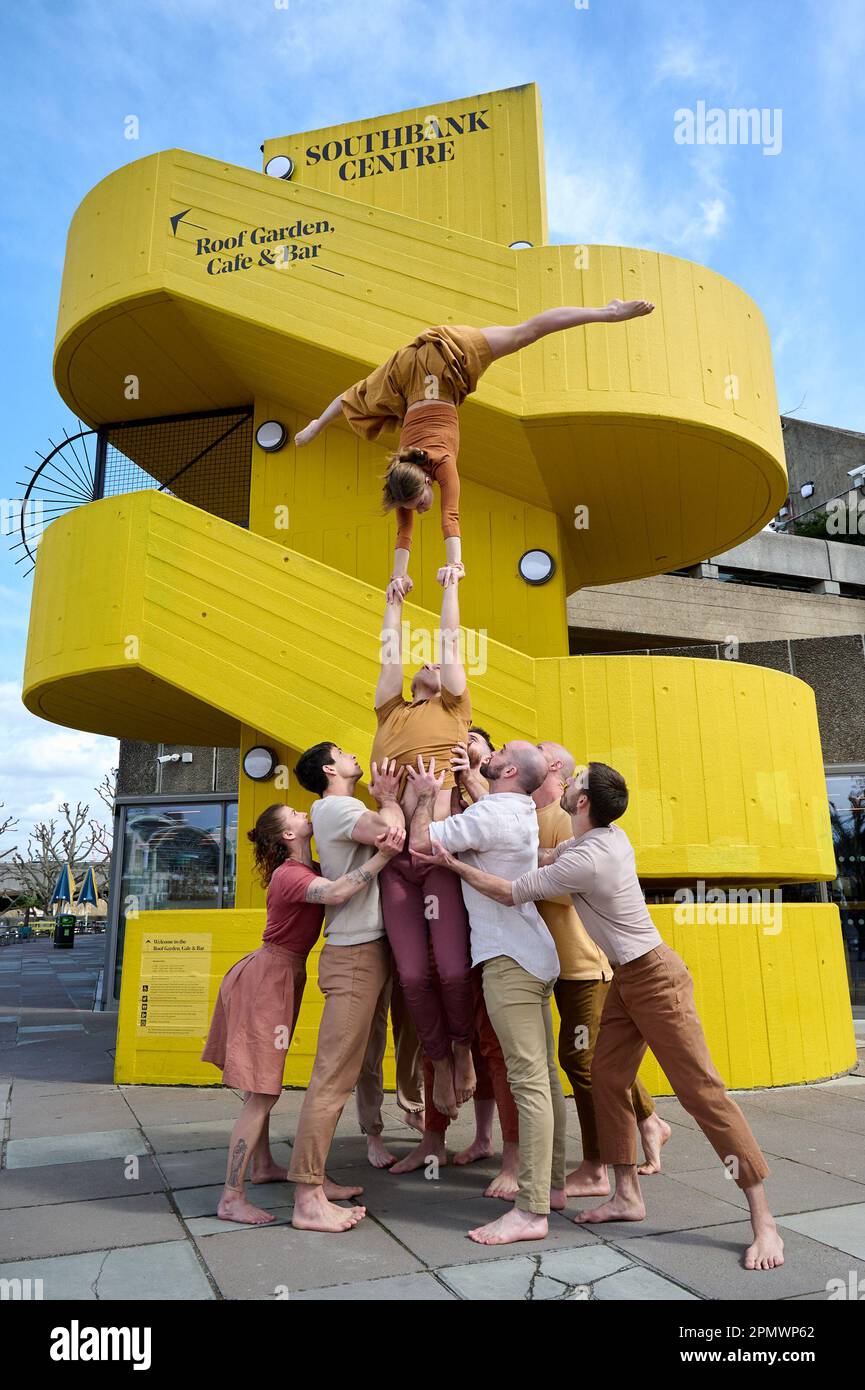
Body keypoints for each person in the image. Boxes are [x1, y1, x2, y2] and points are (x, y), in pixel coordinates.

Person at [422, 762, 785, 1271]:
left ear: (584, 801)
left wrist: (454, 863)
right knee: (608, 1079)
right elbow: (541, 856)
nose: (566, 783)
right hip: (625, 979)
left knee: (703, 1091)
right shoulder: (593, 841)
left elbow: (511, 890)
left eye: (575, 781)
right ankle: (625, 1195)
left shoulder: (588, 858)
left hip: (656, 979)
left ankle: (764, 1222)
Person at [294, 302, 655, 590]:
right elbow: (405, 529)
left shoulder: (441, 463)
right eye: (418, 506)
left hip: (447, 369)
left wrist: (454, 563)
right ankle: (316, 425)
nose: (420, 510)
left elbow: (448, 518)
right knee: (525, 332)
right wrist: (397, 576)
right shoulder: (398, 480)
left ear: (422, 484)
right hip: (414, 374)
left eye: (419, 504)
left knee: (525, 334)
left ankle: (609, 313)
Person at [201, 802, 403, 1226]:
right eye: (294, 813)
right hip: (266, 979)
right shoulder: (290, 874)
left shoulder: (308, 864)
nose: (303, 813)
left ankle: (264, 1167)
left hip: (281, 975)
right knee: (262, 1092)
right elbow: (336, 892)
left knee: (265, 1084)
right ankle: (230, 1198)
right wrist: (385, 855)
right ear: (287, 835)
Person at [409, 742, 568, 1247]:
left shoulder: (495, 812)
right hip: (534, 956)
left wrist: (427, 796)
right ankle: (553, 1187)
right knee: (543, 1075)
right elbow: (482, 811)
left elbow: (419, 845)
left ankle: (531, 1210)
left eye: (501, 751)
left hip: (509, 961)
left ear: (511, 770)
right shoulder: (516, 809)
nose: (493, 751)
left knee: (529, 1083)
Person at [533, 741, 671, 1194]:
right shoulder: (541, 816)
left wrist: (506, 878)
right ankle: (649, 1123)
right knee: (601, 1059)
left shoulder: (563, 819)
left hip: (584, 965)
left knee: (583, 1059)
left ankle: (597, 1166)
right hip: (559, 961)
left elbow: (557, 888)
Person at [287, 748, 405, 1232]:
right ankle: (306, 1197)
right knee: (332, 1075)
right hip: (355, 956)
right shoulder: (337, 807)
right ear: (330, 771)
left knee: (359, 1063)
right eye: (343, 752)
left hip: (367, 952)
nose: (355, 754)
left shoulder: (333, 810)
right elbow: (389, 834)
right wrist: (391, 799)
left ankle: (318, 1180)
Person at [373, 578, 476, 1120]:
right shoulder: (389, 711)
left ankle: (460, 1048)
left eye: (437, 666)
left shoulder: (455, 707)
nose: (431, 665)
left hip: (438, 851)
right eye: (426, 665)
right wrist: (393, 606)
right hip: (395, 861)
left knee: (455, 970)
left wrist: (448, 586)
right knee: (412, 975)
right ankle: (436, 1059)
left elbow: (451, 640)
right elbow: (390, 654)